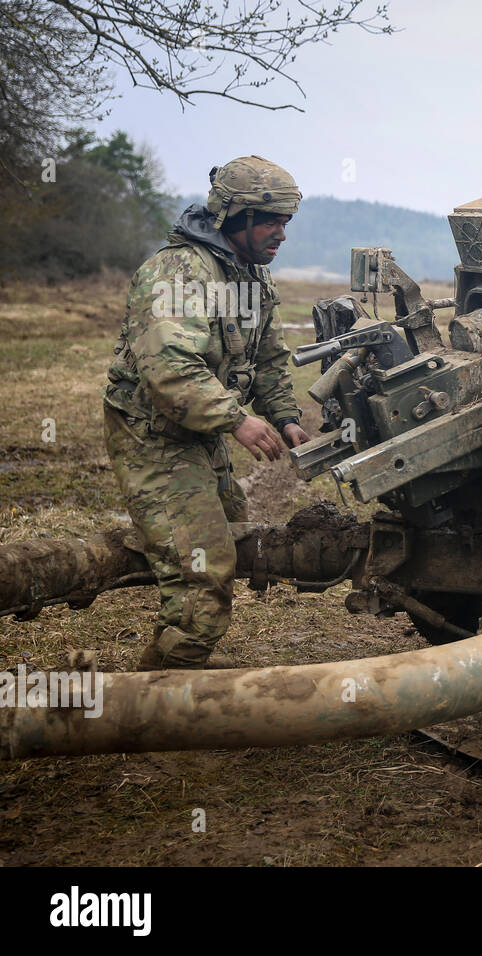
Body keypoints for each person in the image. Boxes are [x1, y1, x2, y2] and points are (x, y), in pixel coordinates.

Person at [103, 156, 311, 670]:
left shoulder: (250, 277)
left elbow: (267, 360)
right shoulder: (180, 272)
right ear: (233, 217)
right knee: (205, 569)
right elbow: (168, 368)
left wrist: (285, 417)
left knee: (232, 532)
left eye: (286, 221)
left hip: (197, 430)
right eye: (269, 220)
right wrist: (237, 420)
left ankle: (176, 650)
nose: (280, 233)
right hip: (154, 432)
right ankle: (165, 682)